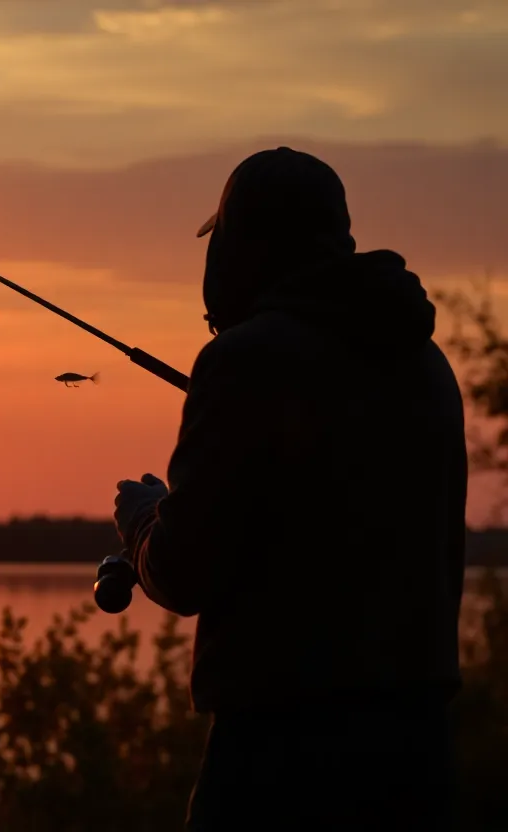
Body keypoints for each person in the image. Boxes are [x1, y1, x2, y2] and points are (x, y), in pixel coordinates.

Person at [111, 147, 467, 831]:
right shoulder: (427, 365)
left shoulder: (244, 361)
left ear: (238, 250)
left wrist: (143, 522)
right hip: (419, 756)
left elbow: (183, 572)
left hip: (280, 757)